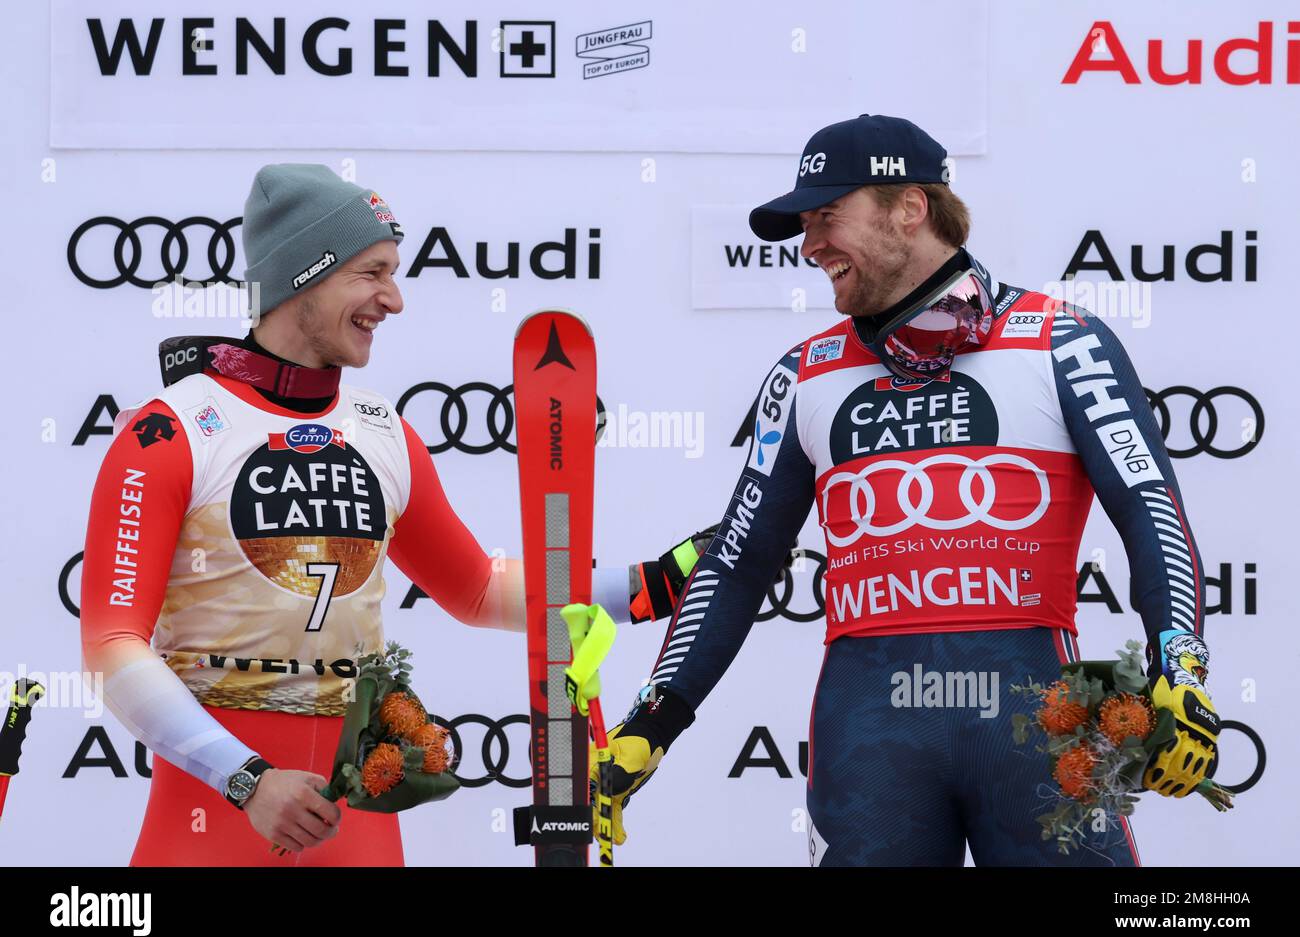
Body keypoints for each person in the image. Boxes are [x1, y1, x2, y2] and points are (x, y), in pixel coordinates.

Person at [597, 115, 1220, 866]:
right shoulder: (804, 374)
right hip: (872, 738)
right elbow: (739, 560)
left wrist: (1178, 667)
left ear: (910, 208)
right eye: (804, 223)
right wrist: (652, 720)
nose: (810, 244)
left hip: (1033, 724)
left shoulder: (1063, 341)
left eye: (828, 215)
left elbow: (1150, 510)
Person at [79, 164, 700, 866]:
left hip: (356, 825)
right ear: (304, 276)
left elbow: (477, 590)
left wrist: (658, 582)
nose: (394, 300)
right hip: (212, 819)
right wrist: (248, 781)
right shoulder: (172, 431)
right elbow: (110, 648)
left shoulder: (382, 431)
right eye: (371, 273)